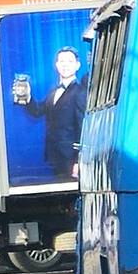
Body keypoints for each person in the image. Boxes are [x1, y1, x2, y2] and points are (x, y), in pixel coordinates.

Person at [22, 47, 87, 180]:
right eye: (62, 61)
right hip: (55, 155)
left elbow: (83, 128)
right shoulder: (53, 91)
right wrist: (27, 96)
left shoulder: (80, 92)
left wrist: (78, 160)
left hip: (70, 156)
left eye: (69, 61)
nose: (65, 65)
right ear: (56, 65)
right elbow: (37, 111)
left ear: (77, 65)